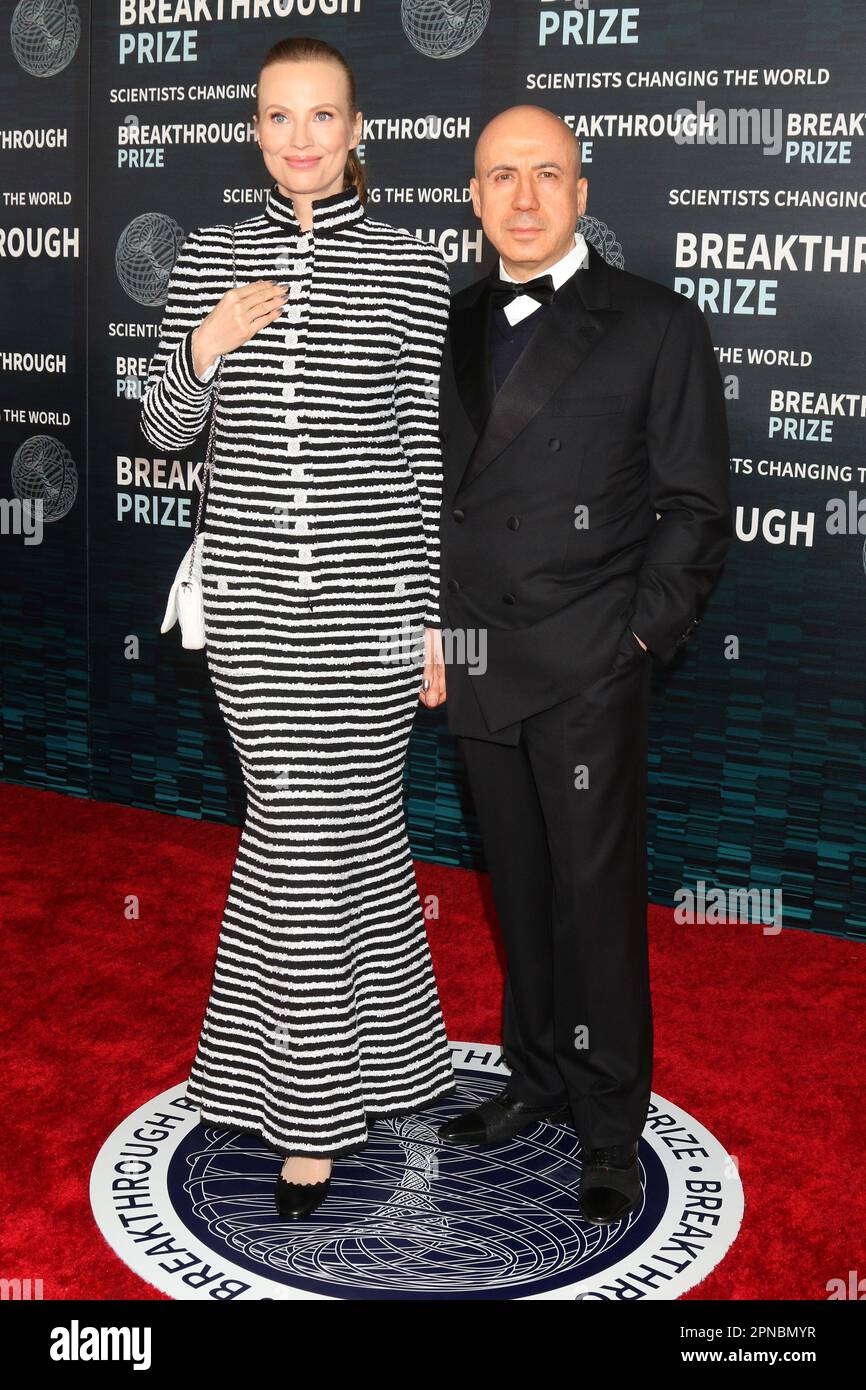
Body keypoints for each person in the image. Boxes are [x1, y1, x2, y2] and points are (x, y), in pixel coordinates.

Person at [140, 35, 453, 1222]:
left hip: (373, 615)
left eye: (323, 115)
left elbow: (423, 458)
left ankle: (320, 1077)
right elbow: (165, 431)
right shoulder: (208, 256)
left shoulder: (411, 267)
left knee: (350, 838)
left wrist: (429, 620)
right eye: (280, 116)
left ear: (358, 126)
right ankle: (326, 1103)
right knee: (305, 837)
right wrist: (205, 344)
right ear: (254, 130)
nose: (302, 137)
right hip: (256, 614)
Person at [435, 105, 733, 1224]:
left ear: (580, 187)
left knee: (593, 902)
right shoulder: (453, 320)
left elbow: (695, 511)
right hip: (474, 657)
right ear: (472, 197)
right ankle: (537, 1077)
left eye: (544, 173)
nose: (521, 195)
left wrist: (635, 642)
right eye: (499, 176)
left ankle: (608, 1123)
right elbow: (436, 495)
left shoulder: (654, 323)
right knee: (515, 889)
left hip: (586, 663)